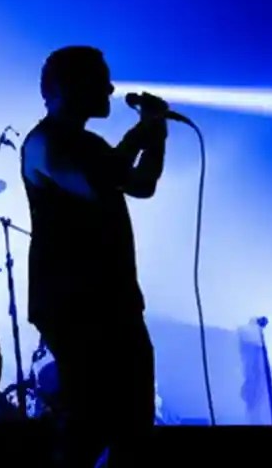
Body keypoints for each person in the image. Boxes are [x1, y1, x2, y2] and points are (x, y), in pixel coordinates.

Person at [20, 46, 168, 467]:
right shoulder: (44, 143)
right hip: (74, 302)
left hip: (113, 296)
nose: (110, 87)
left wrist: (155, 136)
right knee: (88, 421)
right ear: (71, 87)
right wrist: (143, 133)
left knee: (134, 422)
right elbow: (100, 184)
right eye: (100, 79)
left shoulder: (89, 142)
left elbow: (141, 184)